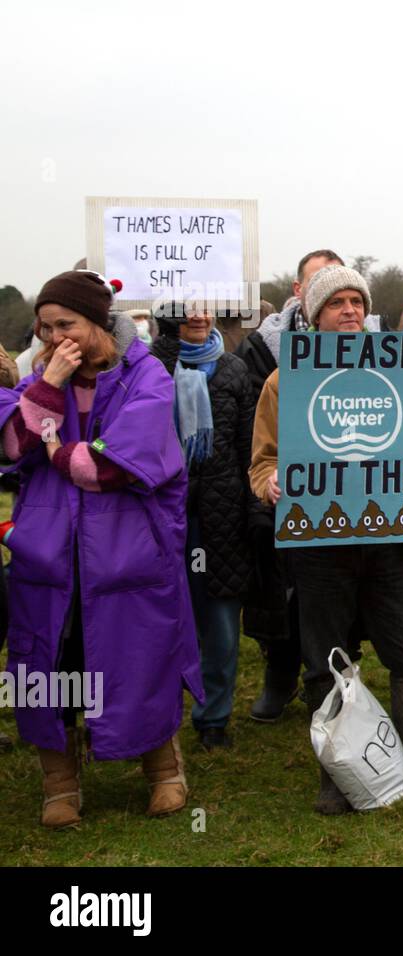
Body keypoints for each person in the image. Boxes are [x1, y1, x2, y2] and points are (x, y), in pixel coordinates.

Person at [0, 270, 202, 827]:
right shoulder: (40, 376)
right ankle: (59, 781)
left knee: (140, 657)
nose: (53, 336)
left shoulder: (148, 376)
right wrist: (46, 389)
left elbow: (112, 465)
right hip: (49, 552)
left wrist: (60, 451)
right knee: (51, 660)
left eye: (66, 324)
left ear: (96, 323)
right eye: (45, 327)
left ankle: (164, 769)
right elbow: (13, 444)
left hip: (130, 553)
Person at [248, 265, 403, 813]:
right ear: (314, 315)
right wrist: (272, 483)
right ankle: (333, 777)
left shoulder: (394, 367)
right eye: (336, 303)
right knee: (324, 660)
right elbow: (262, 461)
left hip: (387, 539)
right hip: (318, 545)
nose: (350, 311)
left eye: (357, 300)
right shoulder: (284, 379)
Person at [236, 249, 347, 722]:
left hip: (348, 493)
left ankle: (336, 679)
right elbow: (257, 422)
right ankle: (280, 674)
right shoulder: (265, 347)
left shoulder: (373, 348)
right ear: (301, 293)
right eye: (319, 282)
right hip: (284, 492)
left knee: (338, 594)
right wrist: (271, 477)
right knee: (284, 593)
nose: (339, 302)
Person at [151, 305, 255, 749]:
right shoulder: (149, 367)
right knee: (161, 616)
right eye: (186, 308)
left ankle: (214, 715)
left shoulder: (233, 367)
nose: (198, 316)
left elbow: (250, 445)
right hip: (162, 511)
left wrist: (251, 506)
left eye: (205, 307)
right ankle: (157, 712)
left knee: (220, 620)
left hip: (222, 513)